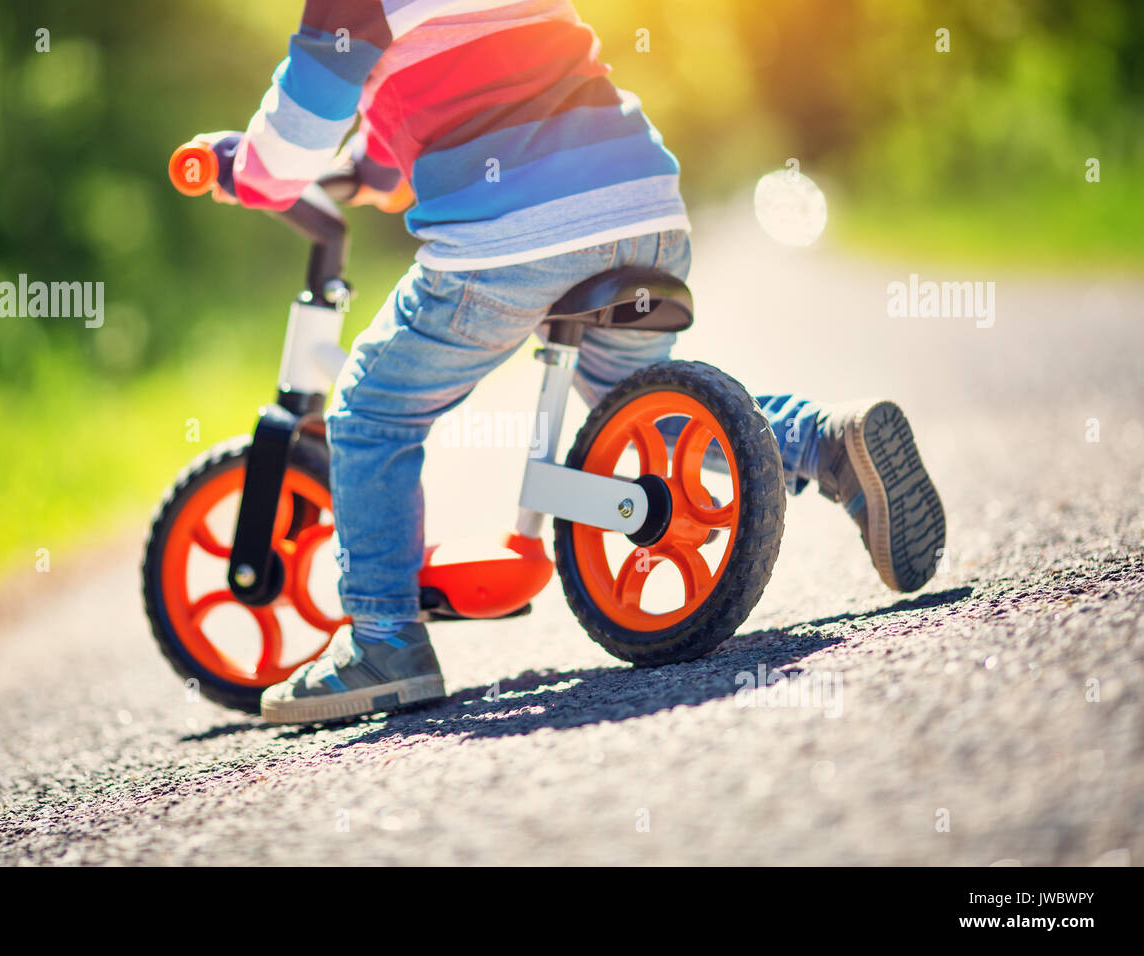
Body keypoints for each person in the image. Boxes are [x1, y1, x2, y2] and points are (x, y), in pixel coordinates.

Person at [194, 0, 946, 725]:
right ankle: (824, 441)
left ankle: (384, 644)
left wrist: (241, 168)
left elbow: (288, 148)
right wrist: (369, 168)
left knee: (372, 410)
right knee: (636, 406)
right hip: (641, 204)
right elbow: (444, 94)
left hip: (512, 243)